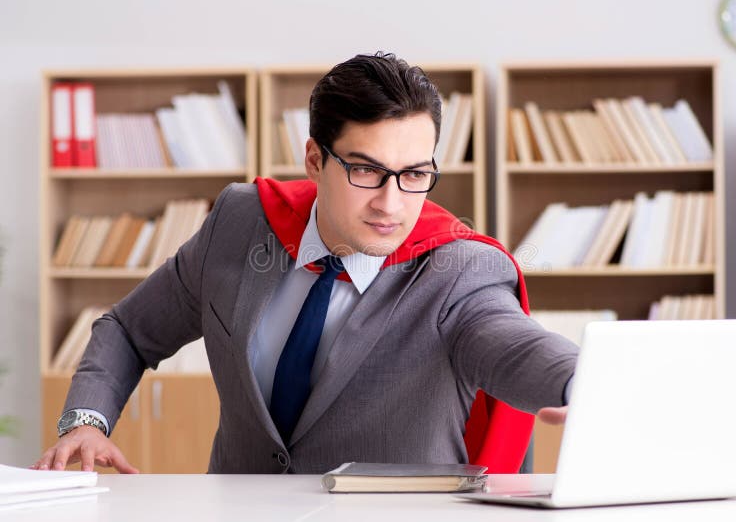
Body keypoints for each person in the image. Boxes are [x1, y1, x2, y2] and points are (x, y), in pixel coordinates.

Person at [33, 52, 578, 474]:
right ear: (314, 159)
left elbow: (511, 341)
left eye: (415, 174)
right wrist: (86, 420)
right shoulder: (241, 224)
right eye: (366, 170)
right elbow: (130, 329)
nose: (391, 204)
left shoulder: (458, 271)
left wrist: (580, 382)